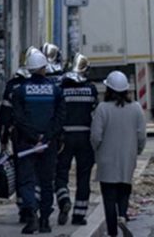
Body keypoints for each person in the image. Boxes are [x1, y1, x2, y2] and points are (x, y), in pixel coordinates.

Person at [12, 49, 65, 234]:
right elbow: (59, 118)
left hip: (26, 144)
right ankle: (44, 221)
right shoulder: (56, 91)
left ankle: (32, 216)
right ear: (44, 68)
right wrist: (46, 137)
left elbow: (18, 119)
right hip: (48, 144)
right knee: (46, 182)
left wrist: (33, 138)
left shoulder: (20, 92)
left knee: (27, 181)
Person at [91, 71, 146, 237]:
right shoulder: (136, 108)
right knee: (124, 191)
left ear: (108, 89)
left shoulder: (102, 109)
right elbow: (141, 135)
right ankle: (122, 215)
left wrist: (96, 150)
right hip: (127, 160)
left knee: (108, 199)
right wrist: (136, 151)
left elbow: (96, 136)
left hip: (107, 161)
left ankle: (113, 232)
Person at [54, 53, 98, 226]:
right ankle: (79, 215)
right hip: (85, 138)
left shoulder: (61, 89)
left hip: (64, 138)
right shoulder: (91, 89)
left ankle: (64, 199)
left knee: (60, 173)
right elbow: (95, 115)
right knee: (83, 177)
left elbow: (56, 114)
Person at [0, 49, 34, 223]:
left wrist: (3, 139)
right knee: (38, 174)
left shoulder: (12, 85)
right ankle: (34, 205)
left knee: (22, 171)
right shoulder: (40, 85)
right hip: (39, 137)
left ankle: (24, 208)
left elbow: (4, 115)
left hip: (18, 136)